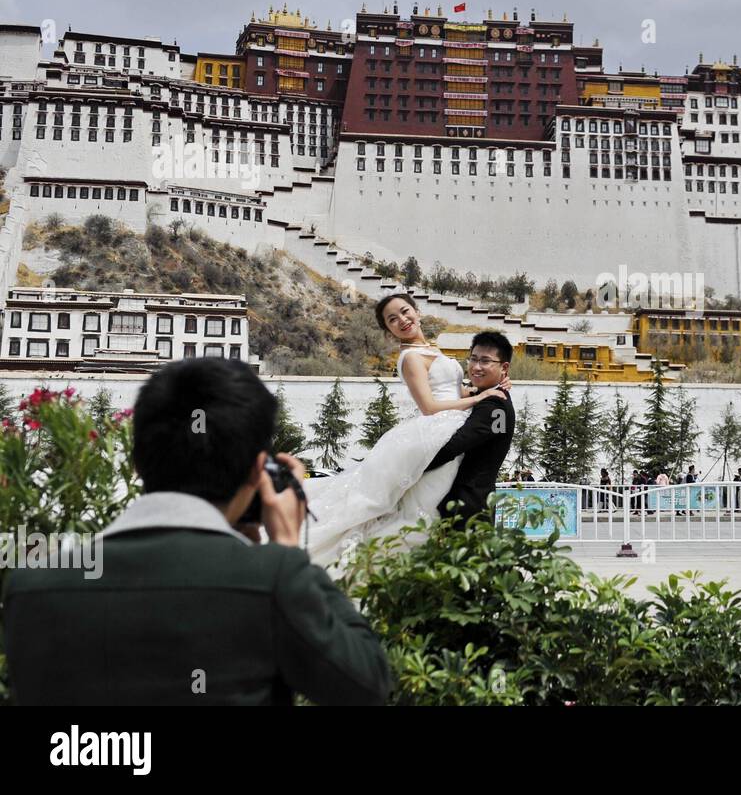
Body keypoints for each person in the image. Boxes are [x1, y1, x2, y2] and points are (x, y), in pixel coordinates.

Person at [0, 357, 392, 705]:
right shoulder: (274, 578)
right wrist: (287, 550)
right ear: (258, 472)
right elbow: (366, 684)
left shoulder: (31, 587)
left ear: (137, 462)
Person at [304, 295, 508, 565]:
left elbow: (452, 389)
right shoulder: (411, 357)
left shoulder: (431, 350)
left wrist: (484, 388)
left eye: (404, 311)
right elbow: (429, 405)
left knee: (429, 502)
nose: (402, 320)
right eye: (392, 319)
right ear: (388, 330)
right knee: (420, 505)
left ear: (417, 311)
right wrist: (478, 399)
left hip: (452, 421)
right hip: (437, 427)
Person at [423, 330, 516, 524]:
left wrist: (409, 470)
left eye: (485, 361)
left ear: (504, 367)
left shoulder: (494, 405)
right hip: (470, 502)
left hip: (467, 506)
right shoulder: (485, 397)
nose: (476, 367)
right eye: (473, 359)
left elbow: (452, 447)